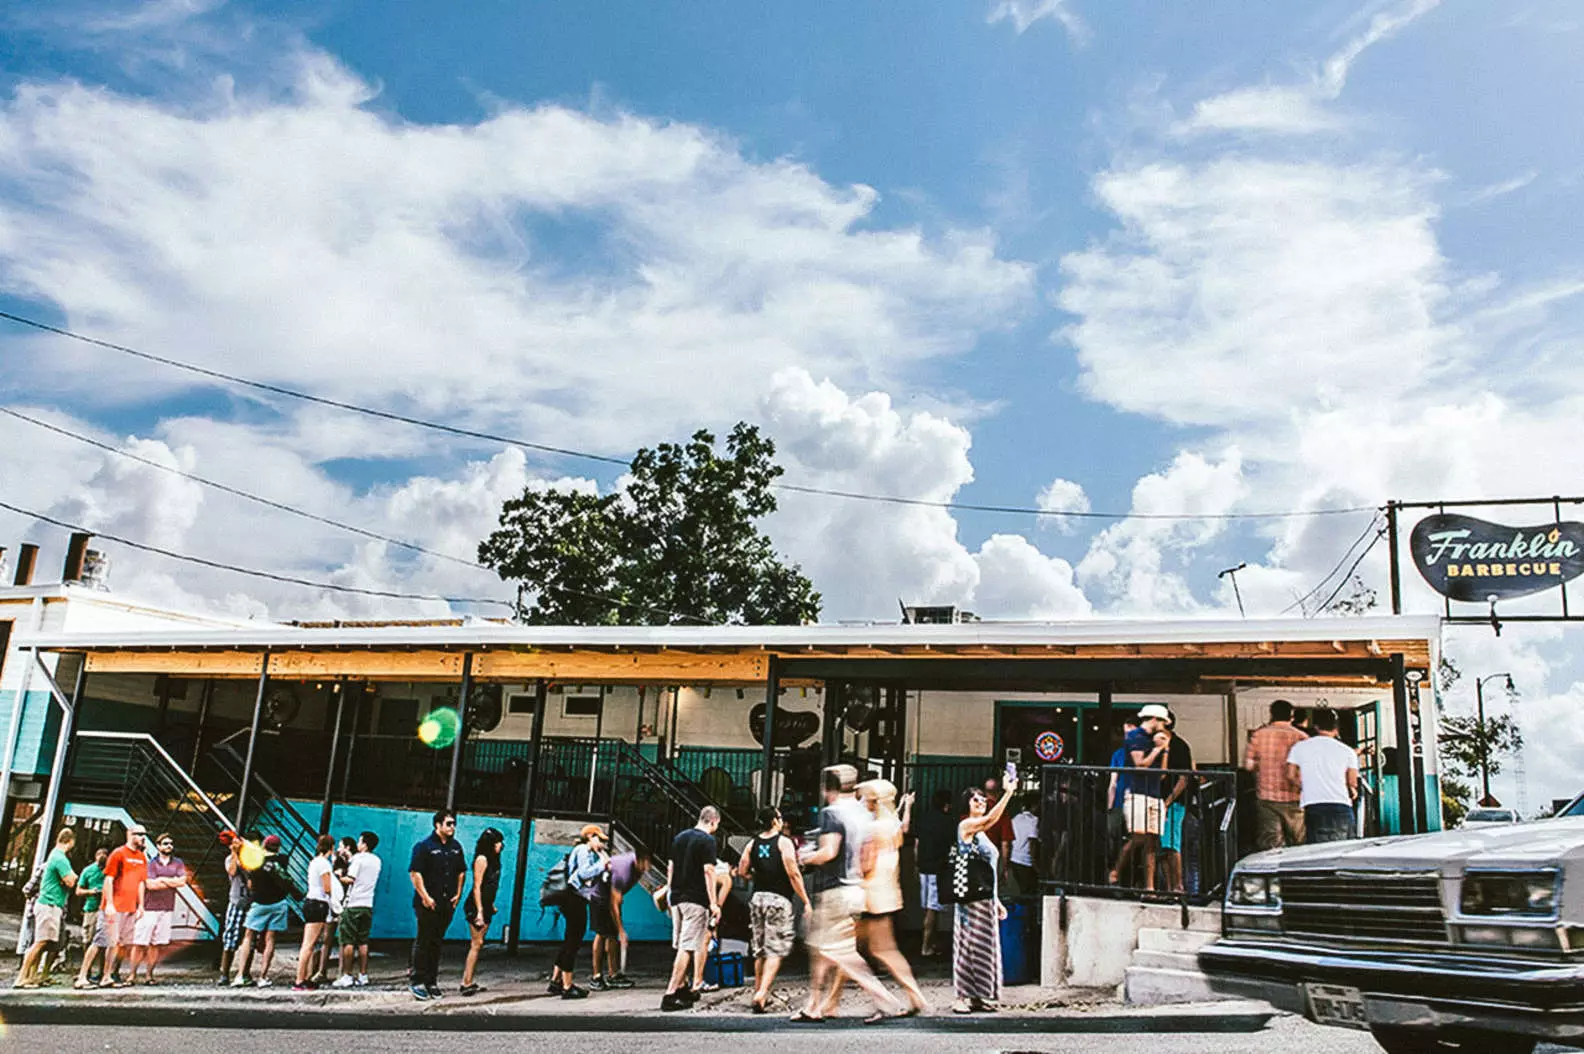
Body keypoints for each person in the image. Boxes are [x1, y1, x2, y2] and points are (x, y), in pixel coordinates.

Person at [792, 765, 905, 1025]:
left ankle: (884, 998)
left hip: (835, 890)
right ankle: (815, 1005)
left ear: (825, 789)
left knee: (840, 953)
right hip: (855, 888)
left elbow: (830, 851)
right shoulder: (861, 812)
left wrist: (807, 856)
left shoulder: (832, 814)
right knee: (821, 950)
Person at [823, 779, 925, 1017]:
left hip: (870, 895)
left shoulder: (872, 829)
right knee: (856, 950)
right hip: (887, 893)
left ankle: (907, 996)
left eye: (863, 798)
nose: (860, 801)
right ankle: (831, 1002)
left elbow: (866, 864)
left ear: (873, 801)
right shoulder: (891, 826)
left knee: (871, 951)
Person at [951, 776, 1016, 1014]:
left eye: (981, 798)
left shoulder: (982, 833)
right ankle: (960, 996)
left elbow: (986, 871)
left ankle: (978, 996)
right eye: (974, 798)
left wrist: (995, 898)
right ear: (966, 804)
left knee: (983, 946)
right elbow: (991, 820)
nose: (979, 801)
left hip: (985, 897)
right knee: (967, 945)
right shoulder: (966, 826)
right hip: (970, 899)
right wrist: (1008, 793)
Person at [735, 806, 809, 1014]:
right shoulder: (783, 842)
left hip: (758, 899)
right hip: (779, 900)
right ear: (776, 821)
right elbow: (793, 873)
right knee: (775, 950)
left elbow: (742, 869)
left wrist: (754, 877)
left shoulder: (753, 843)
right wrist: (805, 900)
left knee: (759, 950)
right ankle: (762, 993)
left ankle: (759, 991)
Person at [660, 806, 721, 1012]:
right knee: (687, 947)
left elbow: (671, 866)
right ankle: (670, 993)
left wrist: (670, 890)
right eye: (717, 825)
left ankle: (683, 988)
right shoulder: (708, 841)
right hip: (695, 900)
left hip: (676, 897)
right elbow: (709, 872)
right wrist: (713, 903)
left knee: (679, 944)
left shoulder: (680, 837)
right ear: (713, 821)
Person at [1109, 704, 1170, 891]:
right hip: (1137, 793)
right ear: (1154, 720)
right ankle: (1116, 870)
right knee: (1139, 837)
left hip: (1154, 792)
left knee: (1153, 840)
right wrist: (1158, 750)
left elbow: (1163, 773)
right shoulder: (1135, 737)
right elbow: (1139, 765)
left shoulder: (1155, 740)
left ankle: (1149, 887)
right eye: (1162, 722)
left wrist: (1165, 749)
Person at [408, 809, 465, 1001]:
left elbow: (460, 871)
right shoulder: (424, 847)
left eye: (454, 824)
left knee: (437, 942)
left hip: (446, 902)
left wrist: (458, 893)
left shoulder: (456, 847)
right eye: (448, 824)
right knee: (423, 940)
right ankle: (417, 981)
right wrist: (425, 896)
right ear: (437, 825)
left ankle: (431, 981)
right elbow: (415, 873)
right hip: (427, 903)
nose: (452, 827)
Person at [547, 824, 605, 1000]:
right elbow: (585, 873)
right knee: (574, 941)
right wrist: (602, 864)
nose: (601, 843)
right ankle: (567, 985)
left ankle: (556, 981)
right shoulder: (582, 850)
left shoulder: (584, 851)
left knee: (569, 939)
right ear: (590, 837)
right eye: (599, 839)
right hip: (574, 899)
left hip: (572, 898)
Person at [1286, 708, 1360, 844]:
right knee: (1344, 849)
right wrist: (1352, 790)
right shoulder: (1348, 751)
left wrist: (1306, 786)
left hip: (1313, 805)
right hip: (1341, 805)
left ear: (1316, 726)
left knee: (1317, 851)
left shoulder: (1299, 747)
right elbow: (1352, 782)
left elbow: (1290, 775)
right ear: (1336, 728)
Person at [1244, 699, 1309, 849]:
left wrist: (1262, 766)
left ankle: (1273, 872)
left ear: (1271, 714)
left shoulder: (1259, 735)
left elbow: (1248, 765)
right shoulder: (1301, 737)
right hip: (1295, 797)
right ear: (1291, 716)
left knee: (1270, 843)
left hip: (1267, 797)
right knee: (1299, 843)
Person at [15, 828, 76, 989]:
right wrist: (70, 878)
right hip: (49, 905)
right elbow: (71, 881)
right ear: (70, 842)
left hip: (51, 905)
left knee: (46, 944)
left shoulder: (53, 856)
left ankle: (32, 976)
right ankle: (22, 978)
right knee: (40, 942)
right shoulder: (60, 858)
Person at [232, 834, 291, 987]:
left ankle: (240, 974)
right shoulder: (283, 860)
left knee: (248, 936)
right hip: (278, 902)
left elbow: (251, 884)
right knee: (270, 939)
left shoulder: (256, 861)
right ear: (278, 847)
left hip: (259, 902)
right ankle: (263, 977)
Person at [131, 832, 187, 984]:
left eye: (170, 843)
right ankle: (132, 975)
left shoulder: (178, 863)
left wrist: (162, 879)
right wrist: (171, 881)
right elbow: (150, 884)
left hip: (167, 907)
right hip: (149, 907)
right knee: (140, 942)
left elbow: (182, 881)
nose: (169, 846)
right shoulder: (151, 863)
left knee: (157, 943)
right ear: (158, 846)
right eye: (165, 843)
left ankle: (149, 975)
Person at [591, 846, 649, 991]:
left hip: (610, 895)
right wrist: (622, 929)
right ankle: (596, 977)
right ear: (639, 860)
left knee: (612, 935)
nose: (647, 867)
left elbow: (619, 898)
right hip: (599, 896)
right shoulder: (624, 870)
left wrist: (618, 929)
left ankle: (613, 974)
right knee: (602, 934)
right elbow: (614, 903)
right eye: (645, 863)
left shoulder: (638, 869)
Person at [100, 823, 149, 989]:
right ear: (130, 834)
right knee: (112, 942)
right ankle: (105, 975)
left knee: (125, 943)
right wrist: (110, 903)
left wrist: (141, 905)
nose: (143, 837)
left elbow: (142, 882)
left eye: (144, 834)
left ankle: (115, 972)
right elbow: (109, 879)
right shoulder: (119, 853)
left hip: (131, 906)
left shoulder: (142, 857)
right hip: (117, 904)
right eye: (139, 834)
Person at [332, 831, 381, 988]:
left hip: (353, 903)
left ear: (365, 844)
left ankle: (347, 975)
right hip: (368, 904)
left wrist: (338, 875)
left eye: (360, 842)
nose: (358, 845)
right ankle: (363, 974)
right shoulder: (377, 860)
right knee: (363, 942)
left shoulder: (358, 859)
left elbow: (350, 880)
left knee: (348, 941)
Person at [460, 827, 505, 997]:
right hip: (476, 906)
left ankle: (468, 980)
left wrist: (490, 905)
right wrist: (479, 911)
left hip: (485, 905)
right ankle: (466, 982)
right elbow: (477, 886)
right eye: (498, 842)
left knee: (478, 944)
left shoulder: (494, 860)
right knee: (476, 944)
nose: (501, 845)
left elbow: (490, 886)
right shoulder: (482, 859)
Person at [914, 788, 955, 958]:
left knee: (928, 909)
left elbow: (916, 844)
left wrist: (916, 865)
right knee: (933, 909)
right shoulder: (948, 822)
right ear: (947, 804)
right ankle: (925, 947)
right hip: (938, 869)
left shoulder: (923, 818)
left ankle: (931, 942)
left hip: (923, 867)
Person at [294, 835, 337, 990]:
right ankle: (300, 980)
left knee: (308, 943)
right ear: (331, 848)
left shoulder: (314, 862)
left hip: (310, 901)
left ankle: (303, 977)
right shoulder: (325, 864)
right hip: (319, 903)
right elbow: (327, 887)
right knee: (309, 944)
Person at [1160, 714, 1196, 894]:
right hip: (1157, 800)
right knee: (1162, 847)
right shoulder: (1154, 744)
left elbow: (1184, 779)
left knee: (1171, 844)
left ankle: (1178, 886)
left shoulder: (1180, 746)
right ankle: (1169, 887)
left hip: (1173, 802)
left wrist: (1167, 802)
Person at [216, 831, 255, 986]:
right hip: (236, 900)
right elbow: (232, 871)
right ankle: (224, 973)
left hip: (250, 900)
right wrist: (234, 853)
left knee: (250, 938)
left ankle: (245, 972)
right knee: (230, 936)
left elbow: (252, 875)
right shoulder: (229, 859)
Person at [73, 844, 109, 989]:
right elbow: (78, 891)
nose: (102, 857)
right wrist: (91, 892)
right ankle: (86, 971)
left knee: (104, 943)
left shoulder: (110, 870)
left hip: (106, 908)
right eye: (99, 855)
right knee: (88, 940)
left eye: (105, 855)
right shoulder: (88, 871)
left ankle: (102, 972)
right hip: (92, 908)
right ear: (95, 857)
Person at [1106, 718, 1139, 865]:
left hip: (1137, 803)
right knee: (1114, 838)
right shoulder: (1118, 754)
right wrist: (1110, 807)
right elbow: (1113, 783)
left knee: (1137, 842)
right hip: (1119, 803)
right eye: (1126, 733)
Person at [1008, 795, 1040, 895]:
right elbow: (1032, 844)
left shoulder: (1015, 819)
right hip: (1026, 861)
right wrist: (1035, 865)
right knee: (1030, 892)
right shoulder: (1034, 820)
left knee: (1022, 890)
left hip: (1014, 859)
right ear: (1034, 806)